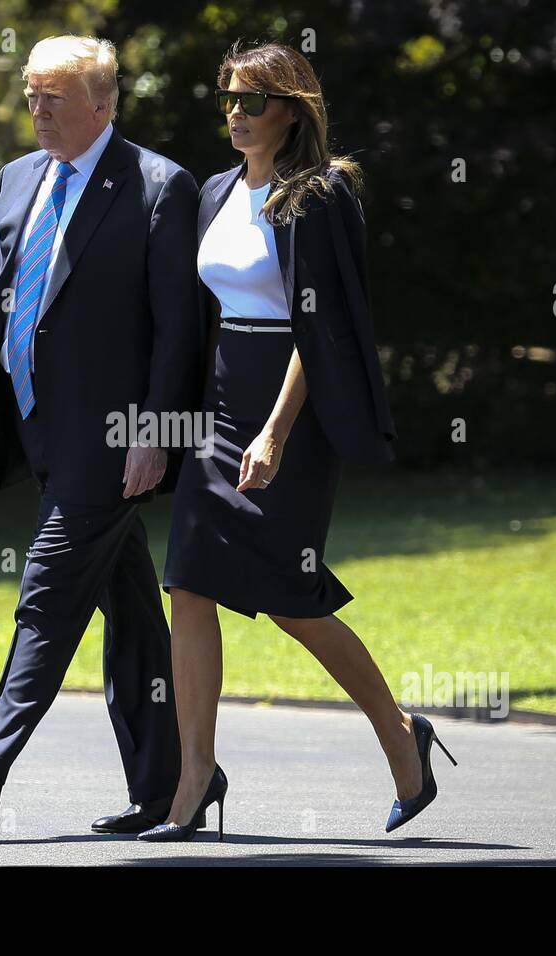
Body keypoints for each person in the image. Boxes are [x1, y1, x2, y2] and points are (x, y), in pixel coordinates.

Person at [138, 41, 457, 842]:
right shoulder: (214, 191)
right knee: (188, 585)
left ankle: (398, 732)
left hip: (293, 413)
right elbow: (202, 313)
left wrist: (276, 433)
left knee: (290, 599)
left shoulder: (319, 195)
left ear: (292, 109)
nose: (237, 116)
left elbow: (321, 328)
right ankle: (193, 780)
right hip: (218, 410)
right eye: (230, 100)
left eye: (254, 102)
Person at [0, 34, 203, 841]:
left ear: (103, 103)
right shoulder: (15, 178)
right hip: (39, 422)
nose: (37, 109)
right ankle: (178, 780)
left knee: (48, 592)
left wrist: (154, 431)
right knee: (132, 610)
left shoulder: (156, 187)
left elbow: (179, 328)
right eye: (31, 93)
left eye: (55, 96)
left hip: (114, 435)